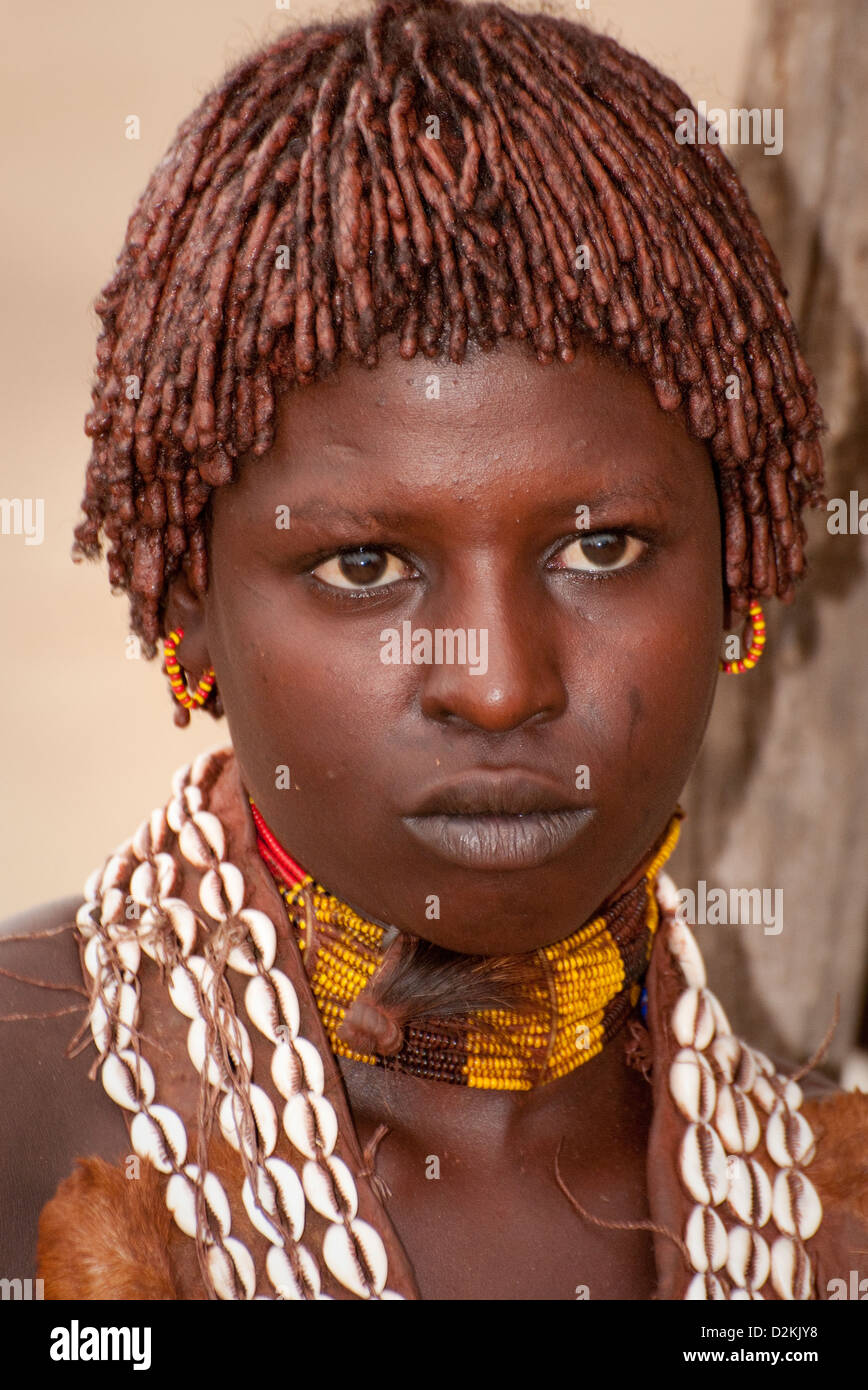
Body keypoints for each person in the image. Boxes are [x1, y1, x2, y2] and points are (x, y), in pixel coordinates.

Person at [2, 0, 866, 1301]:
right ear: (189, 603)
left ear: (742, 565)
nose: (502, 680)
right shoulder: (20, 1116)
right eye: (365, 565)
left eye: (605, 549)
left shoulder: (817, 1216)